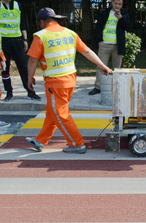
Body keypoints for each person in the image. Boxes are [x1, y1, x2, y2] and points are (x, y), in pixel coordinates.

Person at [25, 7, 112, 154]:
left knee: (60, 114)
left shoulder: (41, 36)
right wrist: (102, 66)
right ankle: (40, 140)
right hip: (70, 80)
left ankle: (77, 144)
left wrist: (29, 78)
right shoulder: (70, 33)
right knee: (52, 112)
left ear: (42, 22)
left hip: (55, 83)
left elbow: (33, 61)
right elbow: (87, 51)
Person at [0, 0, 41, 101]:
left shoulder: (18, 5)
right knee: (5, 68)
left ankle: (30, 91)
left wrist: (25, 40)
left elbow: (22, 23)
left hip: (17, 40)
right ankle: (9, 93)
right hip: (3, 41)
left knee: (23, 67)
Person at [88, 0, 132, 95]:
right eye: (116, 3)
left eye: (120, 4)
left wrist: (121, 18)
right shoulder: (105, 12)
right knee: (100, 66)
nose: (117, 6)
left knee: (117, 68)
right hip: (104, 45)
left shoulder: (124, 13)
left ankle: (116, 86)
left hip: (117, 45)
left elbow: (129, 27)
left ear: (122, 4)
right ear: (112, 2)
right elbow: (99, 26)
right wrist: (100, 41)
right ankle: (98, 87)